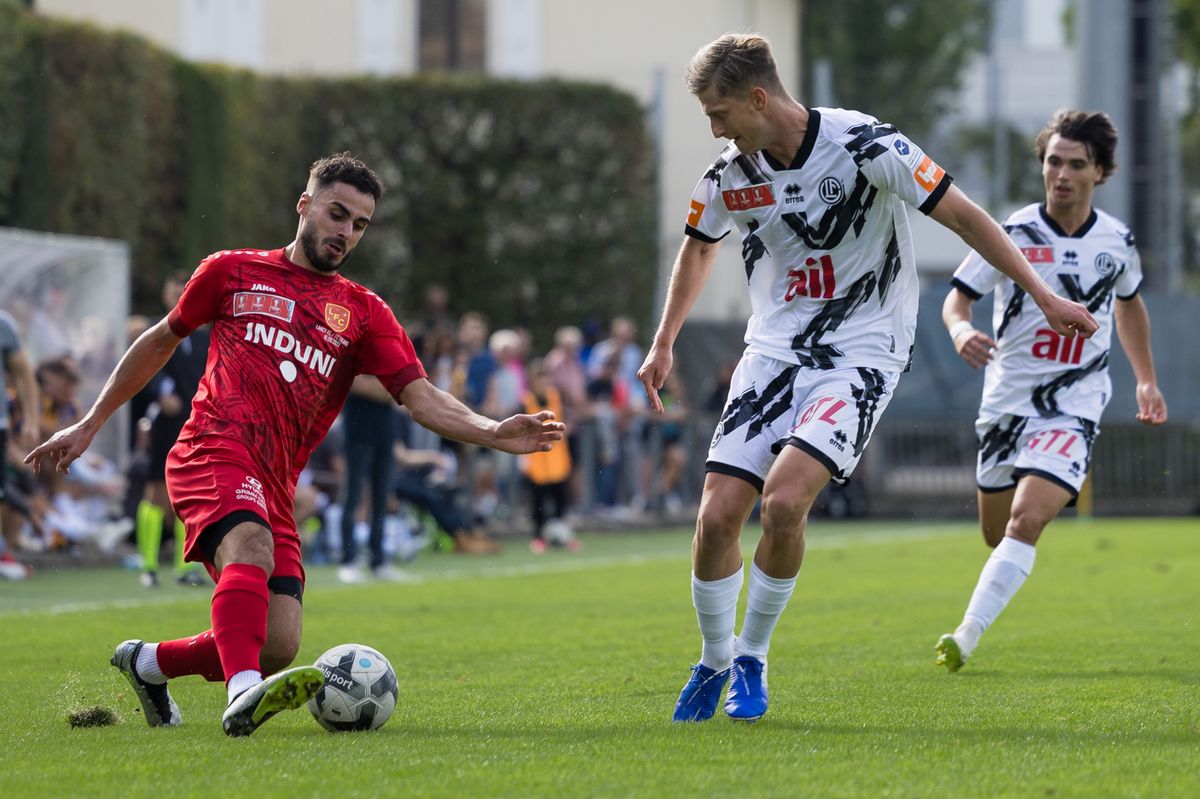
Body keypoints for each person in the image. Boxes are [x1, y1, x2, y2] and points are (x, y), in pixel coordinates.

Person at [636, 34, 1098, 724]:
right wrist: (664, 339)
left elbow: (966, 216)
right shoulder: (729, 173)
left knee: (784, 503)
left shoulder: (864, 144)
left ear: (758, 98)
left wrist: (1044, 294)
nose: (715, 129)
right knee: (715, 518)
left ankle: (752, 657)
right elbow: (698, 250)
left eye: (719, 112)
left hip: (860, 355)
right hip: (773, 354)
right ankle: (713, 660)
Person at [25, 152, 564, 737]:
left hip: (276, 482)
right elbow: (158, 342)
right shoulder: (230, 271)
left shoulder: (364, 312)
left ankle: (149, 663)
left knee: (277, 645)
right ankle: (240, 695)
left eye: (360, 224)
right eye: (337, 214)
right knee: (251, 549)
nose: (346, 232)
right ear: (305, 205)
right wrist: (90, 423)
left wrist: (490, 430)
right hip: (212, 449)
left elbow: (421, 397)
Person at [933, 110, 1168, 672]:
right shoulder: (1011, 232)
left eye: (1076, 165)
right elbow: (957, 299)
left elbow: (1130, 307)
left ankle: (965, 635)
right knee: (997, 534)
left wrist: (1145, 379)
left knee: (1026, 520)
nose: (1062, 174)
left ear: (1100, 172)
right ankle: (1000, 572)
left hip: (1073, 404)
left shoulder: (1117, 241)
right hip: (1005, 403)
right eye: (1054, 162)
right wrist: (961, 330)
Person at [137, 272, 210, 588]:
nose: (180, 294)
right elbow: (142, 369)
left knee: (192, 493)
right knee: (156, 490)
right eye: (175, 289)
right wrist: (159, 394)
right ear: (166, 295)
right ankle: (148, 566)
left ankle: (185, 568)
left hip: (197, 423)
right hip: (166, 423)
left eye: (185, 288)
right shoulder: (157, 329)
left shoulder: (205, 336)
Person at [336, 374, 402, 583]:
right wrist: (388, 389)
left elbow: (396, 390)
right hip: (358, 433)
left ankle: (378, 561)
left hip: (385, 434)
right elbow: (359, 385)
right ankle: (348, 561)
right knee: (353, 496)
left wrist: (386, 389)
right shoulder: (355, 359)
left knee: (381, 499)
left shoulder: (386, 361)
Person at [520, 359, 576, 553]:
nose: (544, 384)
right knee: (538, 504)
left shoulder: (556, 397)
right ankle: (538, 538)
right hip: (536, 462)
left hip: (558, 460)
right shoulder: (525, 401)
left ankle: (565, 537)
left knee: (562, 501)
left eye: (546, 380)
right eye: (539, 380)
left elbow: (567, 420)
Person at [0, 309, 39, 579]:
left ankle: (3, 553)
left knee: (3, 494)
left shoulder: (3, 324)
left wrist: (32, 420)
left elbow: (24, 373)